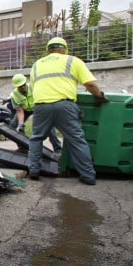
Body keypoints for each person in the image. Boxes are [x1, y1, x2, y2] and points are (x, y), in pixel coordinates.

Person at [28, 37, 108, 185]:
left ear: (48, 50)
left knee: (37, 138)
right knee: (76, 140)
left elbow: (34, 86)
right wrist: (99, 96)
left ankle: (33, 170)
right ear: (65, 49)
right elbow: (90, 84)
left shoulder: (36, 65)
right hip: (65, 106)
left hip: (41, 106)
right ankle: (88, 176)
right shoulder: (72, 61)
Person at [9, 73, 62, 153]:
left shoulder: (34, 87)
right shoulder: (14, 95)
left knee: (48, 126)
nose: (23, 87)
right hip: (25, 110)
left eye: (23, 85)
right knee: (14, 124)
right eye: (20, 86)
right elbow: (19, 111)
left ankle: (58, 149)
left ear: (25, 82)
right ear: (17, 86)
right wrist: (20, 125)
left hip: (38, 108)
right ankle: (23, 147)